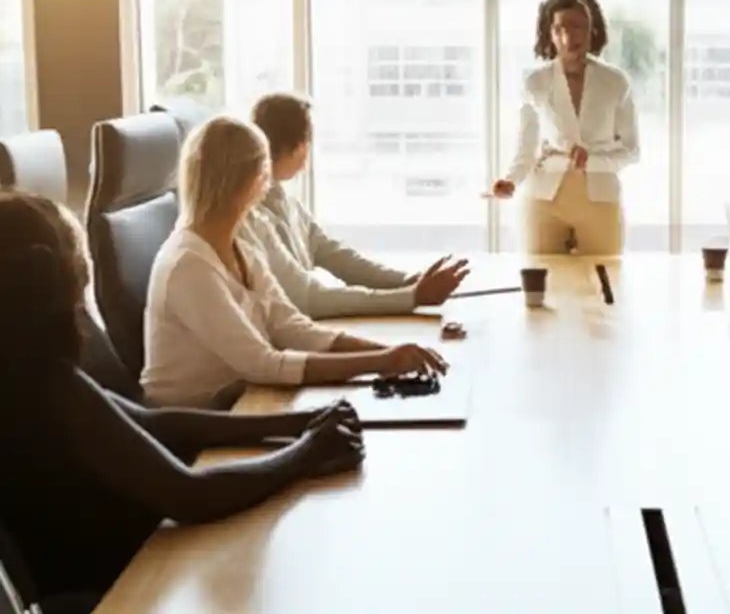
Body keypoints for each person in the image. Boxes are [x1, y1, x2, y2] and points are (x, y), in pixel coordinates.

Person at [0, 190, 366, 606]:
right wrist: (305, 455)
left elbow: (151, 422)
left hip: (125, 564)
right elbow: (190, 495)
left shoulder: (23, 372)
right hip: (124, 589)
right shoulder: (47, 385)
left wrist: (297, 423)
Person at [142, 115, 448, 408]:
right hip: (198, 422)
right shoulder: (188, 265)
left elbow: (292, 327)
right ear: (257, 179)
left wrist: (391, 353)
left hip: (239, 401)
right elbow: (263, 364)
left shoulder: (241, 248)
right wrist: (379, 362)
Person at [244, 92, 469, 319]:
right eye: (308, 139)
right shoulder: (252, 216)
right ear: (298, 144)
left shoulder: (288, 204)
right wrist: (411, 296)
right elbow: (308, 298)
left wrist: (410, 282)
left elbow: (340, 258)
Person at [490, 0, 639, 255]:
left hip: (601, 198)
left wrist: (590, 160)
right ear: (549, 34)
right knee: (540, 275)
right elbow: (527, 149)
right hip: (544, 199)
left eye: (577, 26)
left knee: (604, 275)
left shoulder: (615, 82)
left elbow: (631, 151)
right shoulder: (535, 82)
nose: (569, 37)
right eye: (560, 29)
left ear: (592, 30)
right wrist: (510, 180)